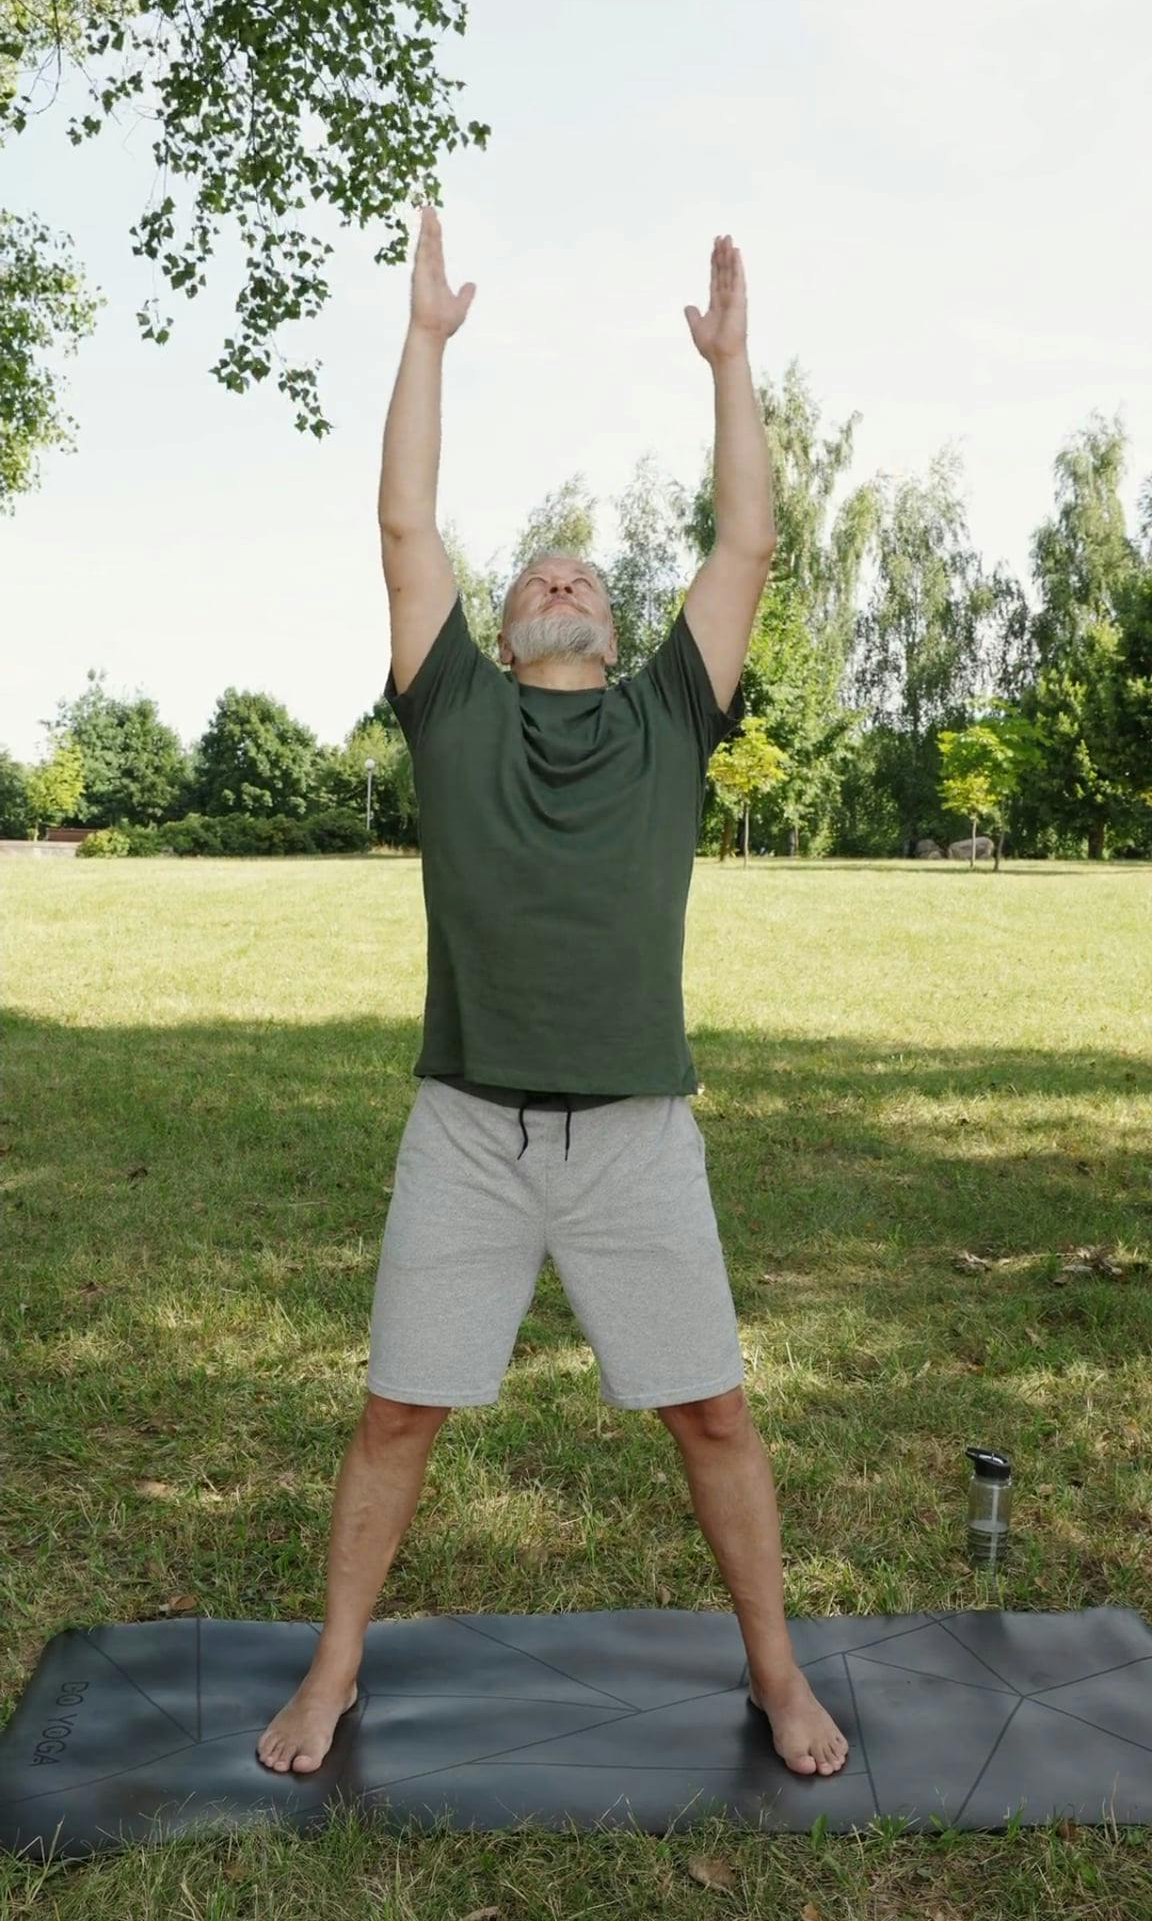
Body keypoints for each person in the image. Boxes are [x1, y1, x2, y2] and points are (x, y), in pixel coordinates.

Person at [258, 206, 849, 1783]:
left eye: (588, 573)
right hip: (466, 1132)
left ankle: (781, 1677)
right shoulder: (451, 708)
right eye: (543, 573)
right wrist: (428, 340)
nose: (567, 579)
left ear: (610, 623)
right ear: (512, 634)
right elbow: (404, 529)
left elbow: (744, 545)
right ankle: (331, 1674)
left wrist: (732, 366)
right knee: (399, 1417)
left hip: (640, 1138)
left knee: (713, 1417)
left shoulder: (670, 715)